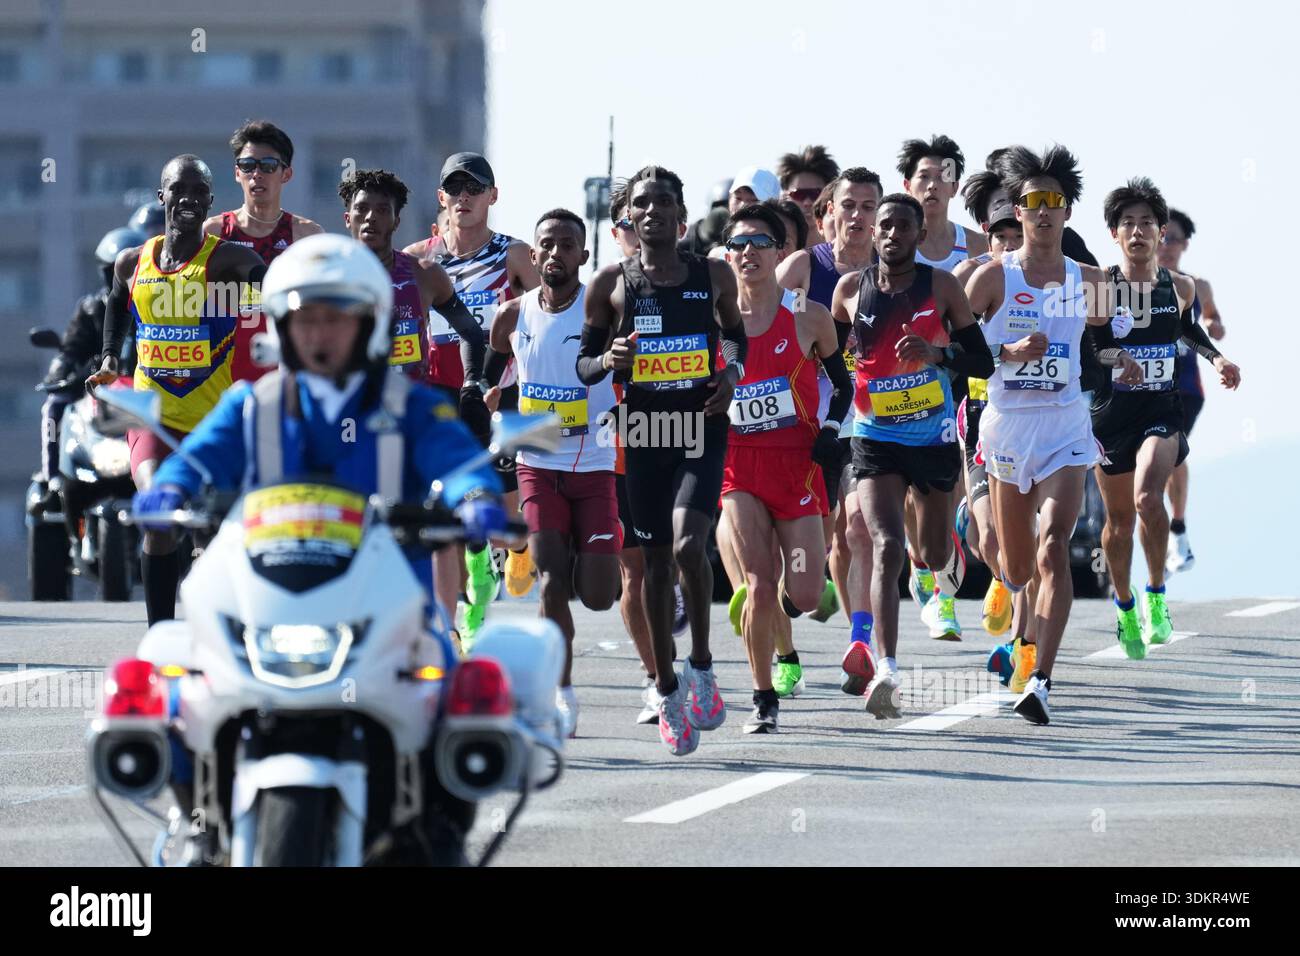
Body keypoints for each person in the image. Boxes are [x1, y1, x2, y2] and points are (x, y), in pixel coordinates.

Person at [131, 234, 504, 862]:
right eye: (307, 317)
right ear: (282, 325)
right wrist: (164, 490)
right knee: (166, 671)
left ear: (368, 325)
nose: (320, 332)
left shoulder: (408, 404)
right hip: (266, 599)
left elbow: (460, 461)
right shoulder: (252, 404)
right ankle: (199, 817)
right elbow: (195, 462)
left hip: (392, 606)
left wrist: (477, 501)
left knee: (460, 694)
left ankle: (440, 833)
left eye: (336, 316)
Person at [965, 145, 1144, 724]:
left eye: (1055, 203)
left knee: (1054, 549)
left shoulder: (1088, 279)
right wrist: (1006, 352)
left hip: (1065, 424)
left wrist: (1119, 358)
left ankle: (1041, 677)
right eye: (1035, 202)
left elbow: (1099, 341)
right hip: (1009, 427)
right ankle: (1013, 610)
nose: (1045, 213)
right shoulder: (992, 278)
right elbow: (958, 352)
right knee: (1017, 568)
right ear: (1018, 210)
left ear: (1067, 212)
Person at [578, 165, 747, 757]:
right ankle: (667, 687)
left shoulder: (713, 274)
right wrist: (609, 361)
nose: (653, 213)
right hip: (644, 431)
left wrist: (729, 372)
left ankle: (701, 663)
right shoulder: (611, 284)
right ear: (630, 218)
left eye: (663, 204)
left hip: (701, 428)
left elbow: (734, 336)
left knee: (685, 547)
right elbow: (585, 363)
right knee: (652, 564)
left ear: (680, 216)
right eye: (641, 205)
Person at [87, 155, 266, 627]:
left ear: (209, 201)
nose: (187, 198)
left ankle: (216, 629)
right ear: (161, 195)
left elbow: (270, 292)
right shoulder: (133, 261)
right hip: (150, 414)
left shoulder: (230, 259)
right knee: (159, 511)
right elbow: (117, 306)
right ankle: (160, 635)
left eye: (198, 191)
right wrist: (110, 358)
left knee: (213, 533)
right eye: (177, 189)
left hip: (210, 421)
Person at [833, 193, 993, 715]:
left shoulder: (941, 286)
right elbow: (836, 357)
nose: (893, 234)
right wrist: (847, 386)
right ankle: (888, 668)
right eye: (885, 226)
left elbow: (983, 362)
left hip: (933, 436)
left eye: (905, 226)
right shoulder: (848, 292)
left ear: (920, 235)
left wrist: (938, 354)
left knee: (933, 552)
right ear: (873, 233)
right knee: (884, 543)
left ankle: (945, 545)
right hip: (875, 435)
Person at [485, 209, 620, 737]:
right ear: (534, 255)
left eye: (569, 245)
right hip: (538, 459)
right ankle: (559, 692)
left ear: (584, 256)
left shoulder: (601, 310)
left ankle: (605, 544)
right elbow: (490, 362)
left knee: (598, 594)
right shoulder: (513, 313)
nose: (557, 253)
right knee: (551, 580)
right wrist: (488, 391)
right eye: (548, 245)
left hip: (595, 460)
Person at [718, 203, 852, 732]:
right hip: (739, 470)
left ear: (779, 253)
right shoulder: (714, 323)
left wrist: (833, 432)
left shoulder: (809, 318)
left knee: (803, 594)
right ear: (727, 257)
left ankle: (777, 619)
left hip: (797, 467)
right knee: (757, 580)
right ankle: (762, 696)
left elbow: (841, 387)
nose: (748, 252)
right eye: (738, 244)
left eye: (759, 243)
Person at [1093, 179, 1240, 657]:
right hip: (1111, 416)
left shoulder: (1178, 285)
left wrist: (1217, 360)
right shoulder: (1103, 285)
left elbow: (1187, 330)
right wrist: (1117, 358)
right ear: (1115, 233)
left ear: (1161, 234)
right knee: (1116, 522)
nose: (1138, 232)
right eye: (1128, 224)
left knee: (1146, 499)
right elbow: (1089, 347)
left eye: (1147, 224)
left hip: (1161, 408)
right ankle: (1124, 605)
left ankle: (1156, 595)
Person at [405, 152, 539, 647]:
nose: (464, 197)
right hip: (439, 394)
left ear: (492, 196)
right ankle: (468, 600)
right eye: (454, 188)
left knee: (505, 517)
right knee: (451, 512)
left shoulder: (514, 255)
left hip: (499, 394)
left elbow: (548, 320)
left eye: (474, 188)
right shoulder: (418, 258)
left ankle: (517, 546)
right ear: (441, 197)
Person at [777, 167, 882, 634]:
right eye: (848, 205)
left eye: (868, 207)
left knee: (859, 527)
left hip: (872, 410)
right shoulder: (804, 266)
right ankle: (795, 599)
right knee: (827, 530)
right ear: (830, 213)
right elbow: (760, 322)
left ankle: (861, 639)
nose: (857, 216)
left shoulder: (897, 269)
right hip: (810, 409)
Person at [953, 172, 1024, 638]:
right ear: (989, 239)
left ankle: (1023, 641)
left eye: (1017, 236)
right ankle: (995, 570)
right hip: (979, 419)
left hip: (1032, 423)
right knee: (988, 537)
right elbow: (951, 346)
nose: (1010, 245)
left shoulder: (1050, 279)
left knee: (1023, 539)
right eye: (1001, 237)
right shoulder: (972, 279)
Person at [31, 225, 143, 514]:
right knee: (54, 406)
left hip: (141, 396)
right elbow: (70, 350)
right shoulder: (91, 308)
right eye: (117, 271)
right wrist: (59, 374)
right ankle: (53, 479)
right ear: (106, 273)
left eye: (132, 270)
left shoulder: (156, 308)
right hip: (93, 395)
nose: (125, 278)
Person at [203, 120, 323, 384]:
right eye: (248, 166)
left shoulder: (307, 235)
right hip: (222, 380)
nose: (257, 174)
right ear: (237, 173)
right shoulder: (213, 232)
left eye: (268, 166)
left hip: (285, 377)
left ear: (286, 174)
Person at [1156, 207, 1225, 574]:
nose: (1166, 246)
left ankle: (1178, 529)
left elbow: (1212, 316)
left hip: (1184, 386)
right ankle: (1162, 540)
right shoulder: (1126, 282)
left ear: (1185, 244)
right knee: (1147, 467)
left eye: (1175, 240)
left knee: (1173, 450)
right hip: (1139, 385)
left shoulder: (1196, 285)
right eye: (1162, 236)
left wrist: (1214, 326)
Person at [777, 145, 840, 249]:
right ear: (784, 196)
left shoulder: (848, 248)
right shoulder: (772, 250)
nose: (807, 202)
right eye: (798, 194)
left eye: (815, 193)